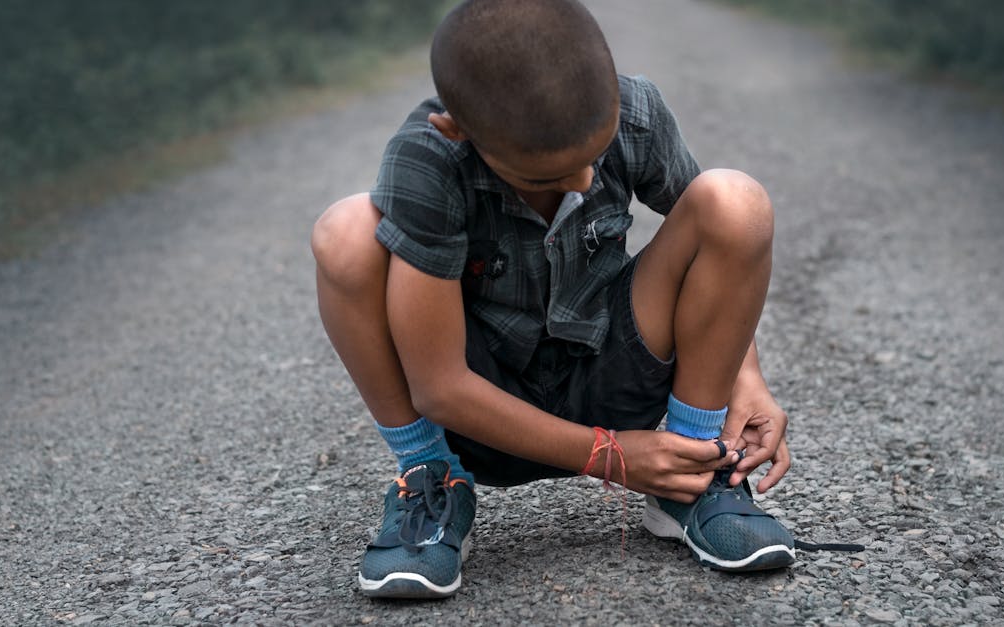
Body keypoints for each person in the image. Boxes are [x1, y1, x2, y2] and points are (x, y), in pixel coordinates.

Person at [312, 0, 796, 599]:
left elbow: (719, 253)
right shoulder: (428, 158)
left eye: (591, 159)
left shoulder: (635, 111)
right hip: (481, 413)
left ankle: (692, 471)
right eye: (544, 178)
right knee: (346, 232)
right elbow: (439, 385)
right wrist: (611, 456)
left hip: (613, 378)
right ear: (457, 130)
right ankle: (432, 479)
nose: (582, 185)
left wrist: (747, 380)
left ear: (612, 98)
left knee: (735, 202)